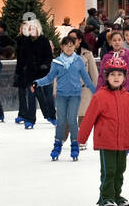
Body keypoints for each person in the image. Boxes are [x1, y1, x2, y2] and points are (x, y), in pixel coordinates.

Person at [79, 55, 129, 206]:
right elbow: (89, 118)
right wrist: (81, 138)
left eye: (119, 74)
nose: (116, 77)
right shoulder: (100, 96)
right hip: (106, 141)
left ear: (125, 77)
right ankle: (105, 197)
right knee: (109, 170)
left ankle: (116, 196)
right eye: (112, 74)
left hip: (123, 141)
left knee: (120, 170)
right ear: (107, 77)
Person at [31, 33, 95, 161]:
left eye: (71, 46)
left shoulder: (78, 61)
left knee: (72, 121)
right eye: (66, 46)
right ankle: (57, 145)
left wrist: (96, 91)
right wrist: (37, 82)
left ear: (74, 47)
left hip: (75, 95)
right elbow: (49, 78)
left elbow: (87, 79)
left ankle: (75, 145)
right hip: (61, 95)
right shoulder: (57, 62)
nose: (69, 48)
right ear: (62, 47)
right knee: (61, 121)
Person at [14, 18, 54, 128]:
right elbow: (21, 59)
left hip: (43, 73)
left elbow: (49, 56)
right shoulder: (26, 41)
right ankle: (30, 120)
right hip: (30, 73)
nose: (31, 31)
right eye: (30, 29)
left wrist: (45, 65)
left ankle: (51, 116)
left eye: (33, 28)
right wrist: (19, 72)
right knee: (31, 97)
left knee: (46, 97)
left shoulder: (44, 40)